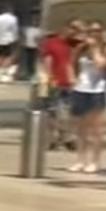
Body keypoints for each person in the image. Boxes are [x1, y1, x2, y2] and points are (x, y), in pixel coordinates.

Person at [66, 20, 106, 174]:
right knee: (81, 128)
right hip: (81, 89)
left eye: (97, 31)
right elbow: (70, 63)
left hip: (97, 91)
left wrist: (94, 48)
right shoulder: (80, 48)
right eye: (90, 31)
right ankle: (80, 160)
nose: (93, 34)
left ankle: (95, 161)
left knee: (96, 129)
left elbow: (101, 65)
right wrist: (72, 78)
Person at [38, 17, 79, 151]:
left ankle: (66, 137)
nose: (74, 32)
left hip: (69, 82)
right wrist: (50, 77)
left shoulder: (73, 45)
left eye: (76, 30)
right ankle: (55, 138)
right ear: (65, 28)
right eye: (73, 28)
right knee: (54, 111)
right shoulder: (51, 43)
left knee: (66, 112)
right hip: (56, 81)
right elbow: (47, 62)